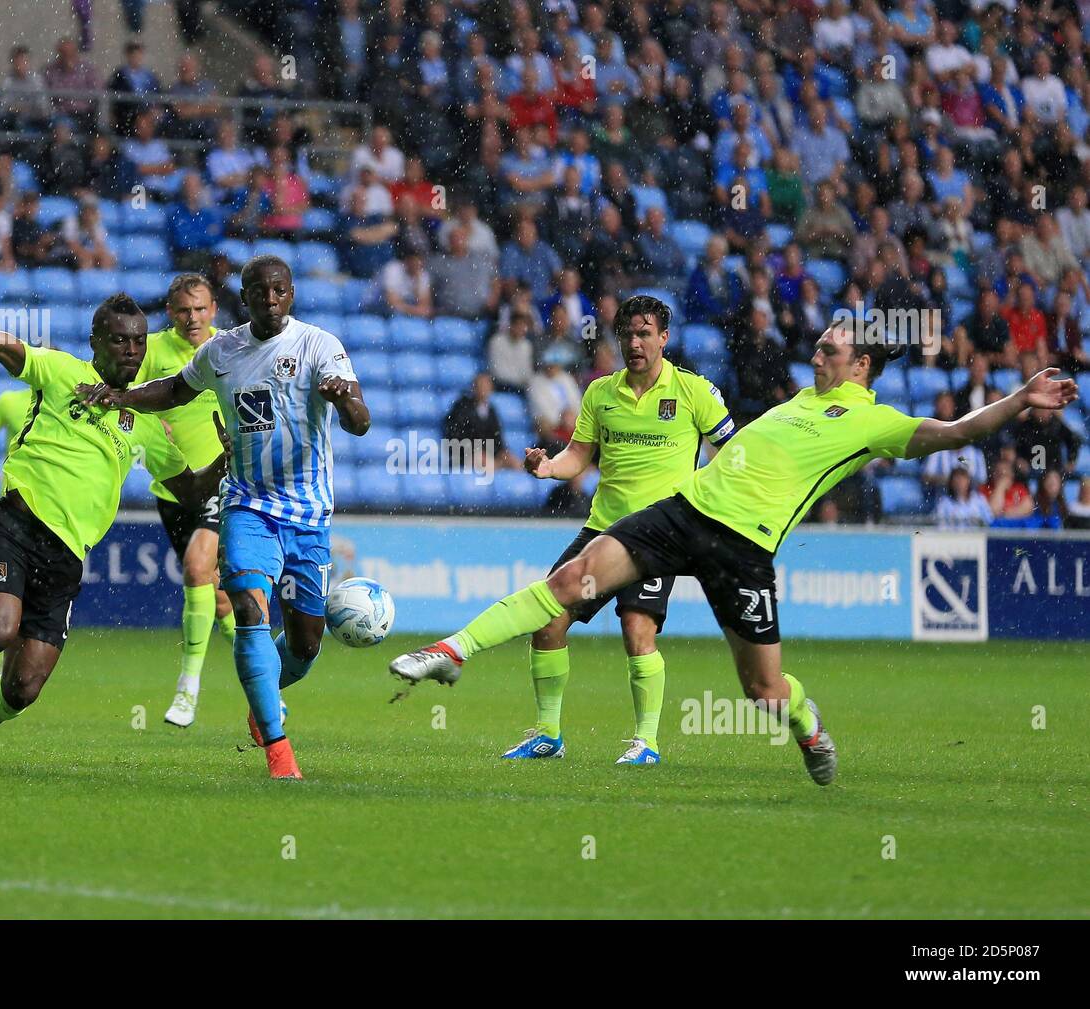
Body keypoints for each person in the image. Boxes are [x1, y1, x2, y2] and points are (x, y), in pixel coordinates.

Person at [390, 320, 1079, 787]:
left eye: (831, 351)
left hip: (743, 549)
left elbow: (956, 432)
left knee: (763, 690)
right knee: (571, 580)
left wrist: (1022, 398)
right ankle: (453, 650)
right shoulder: (801, 398)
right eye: (818, 347)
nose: (816, 355)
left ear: (862, 365)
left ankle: (805, 720)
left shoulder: (879, 422)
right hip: (685, 509)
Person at [0, 239, 230, 768]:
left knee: (21, 690)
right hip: (17, 524)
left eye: (138, 343)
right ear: (96, 341)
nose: (131, 352)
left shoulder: (148, 425)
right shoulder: (61, 371)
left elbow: (191, 494)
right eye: (119, 341)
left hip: (68, 556)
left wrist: (229, 458)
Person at [76, 256, 372, 781]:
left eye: (280, 289)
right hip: (248, 505)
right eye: (260, 291)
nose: (271, 298)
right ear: (246, 297)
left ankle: (264, 699)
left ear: (292, 293)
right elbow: (173, 389)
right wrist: (119, 395)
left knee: (304, 648)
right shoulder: (224, 350)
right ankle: (280, 752)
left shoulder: (319, 346)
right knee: (251, 612)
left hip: (308, 513)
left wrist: (345, 402)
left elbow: (360, 422)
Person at [503, 296, 735, 764]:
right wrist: (548, 467)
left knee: (636, 629)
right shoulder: (600, 393)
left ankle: (646, 742)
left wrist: (709, 501)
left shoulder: (694, 392)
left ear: (663, 338)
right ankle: (548, 733)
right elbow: (578, 456)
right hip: (602, 530)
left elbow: (734, 453)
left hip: (658, 536)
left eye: (645, 333)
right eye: (627, 334)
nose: (635, 342)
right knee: (547, 623)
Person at [132, 275, 237, 727]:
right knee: (220, 601)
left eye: (199, 309)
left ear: (213, 309)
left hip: (218, 481)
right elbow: (126, 401)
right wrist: (151, 423)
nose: (191, 318)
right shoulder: (152, 351)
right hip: (172, 490)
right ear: (170, 312)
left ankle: (186, 691)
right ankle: (266, 677)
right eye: (182, 310)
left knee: (197, 569)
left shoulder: (229, 349)